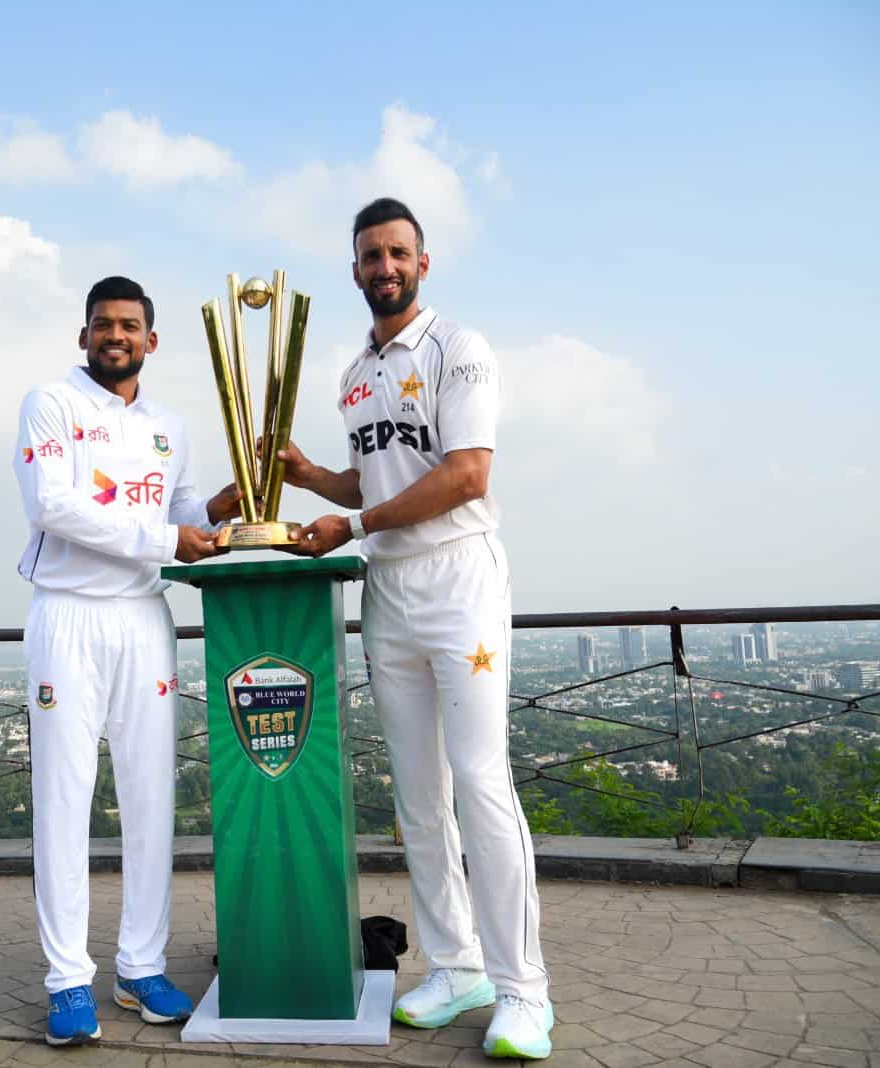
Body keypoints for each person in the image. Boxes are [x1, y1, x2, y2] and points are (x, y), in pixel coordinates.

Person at [280, 199, 553, 1060]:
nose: (384, 267)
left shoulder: (458, 350)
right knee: (418, 798)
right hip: (387, 590)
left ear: (422, 264)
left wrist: (356, 527)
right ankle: (457, 965)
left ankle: (524, 992)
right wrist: (308, 475)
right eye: (370, 255)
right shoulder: (355, 372)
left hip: (459, 583)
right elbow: (375, 482)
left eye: (398, 252)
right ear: (354, 268)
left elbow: (467, 475)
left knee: (479, 784)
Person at [12, 275, 237, 1046]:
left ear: (151, 340)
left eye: (130, 325)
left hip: (145, 619)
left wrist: (237, 499)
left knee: (149, 801)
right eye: (103, 324)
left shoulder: (168, 426)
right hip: (68, 615)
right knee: (65, 802)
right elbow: (54, 506)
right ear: (84, 337)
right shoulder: (52, 403)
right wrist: (167, 541)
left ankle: (141, 968)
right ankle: (67, 981)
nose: (116, 335)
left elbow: (184, 514)